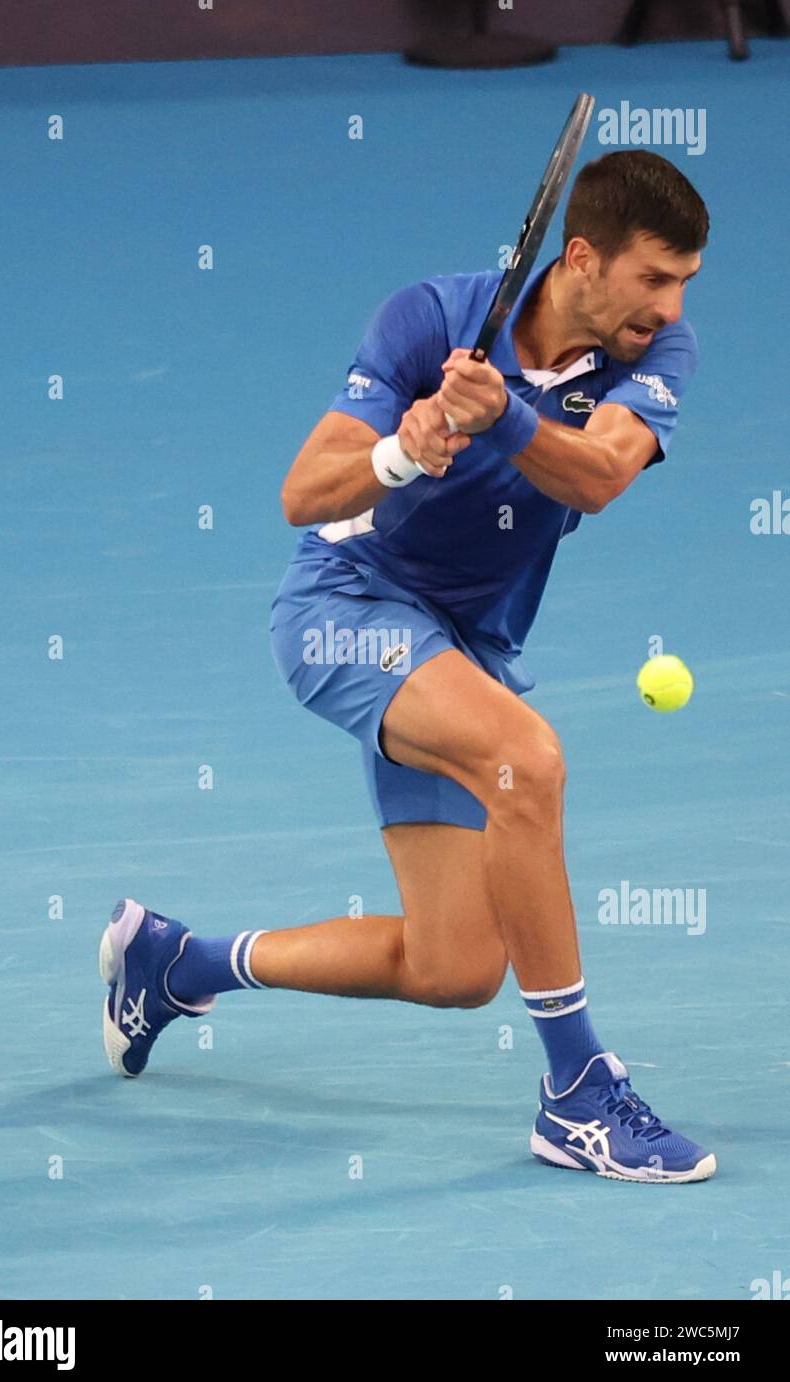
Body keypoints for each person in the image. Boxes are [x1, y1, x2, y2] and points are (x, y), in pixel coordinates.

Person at [99, 150, 715, 1183]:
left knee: (454, 967)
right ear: (579, 259)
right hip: (346, 611)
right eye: (651, 278)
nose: (670, 305)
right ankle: (576, 1094)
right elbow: (304, 492)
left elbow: (600, 473)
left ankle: (175, 963)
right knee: (528, 759)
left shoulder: (653, 353)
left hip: (461, 645)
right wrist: (400, 447)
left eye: (683, 282)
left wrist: (499, 416)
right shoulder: (429, 316)